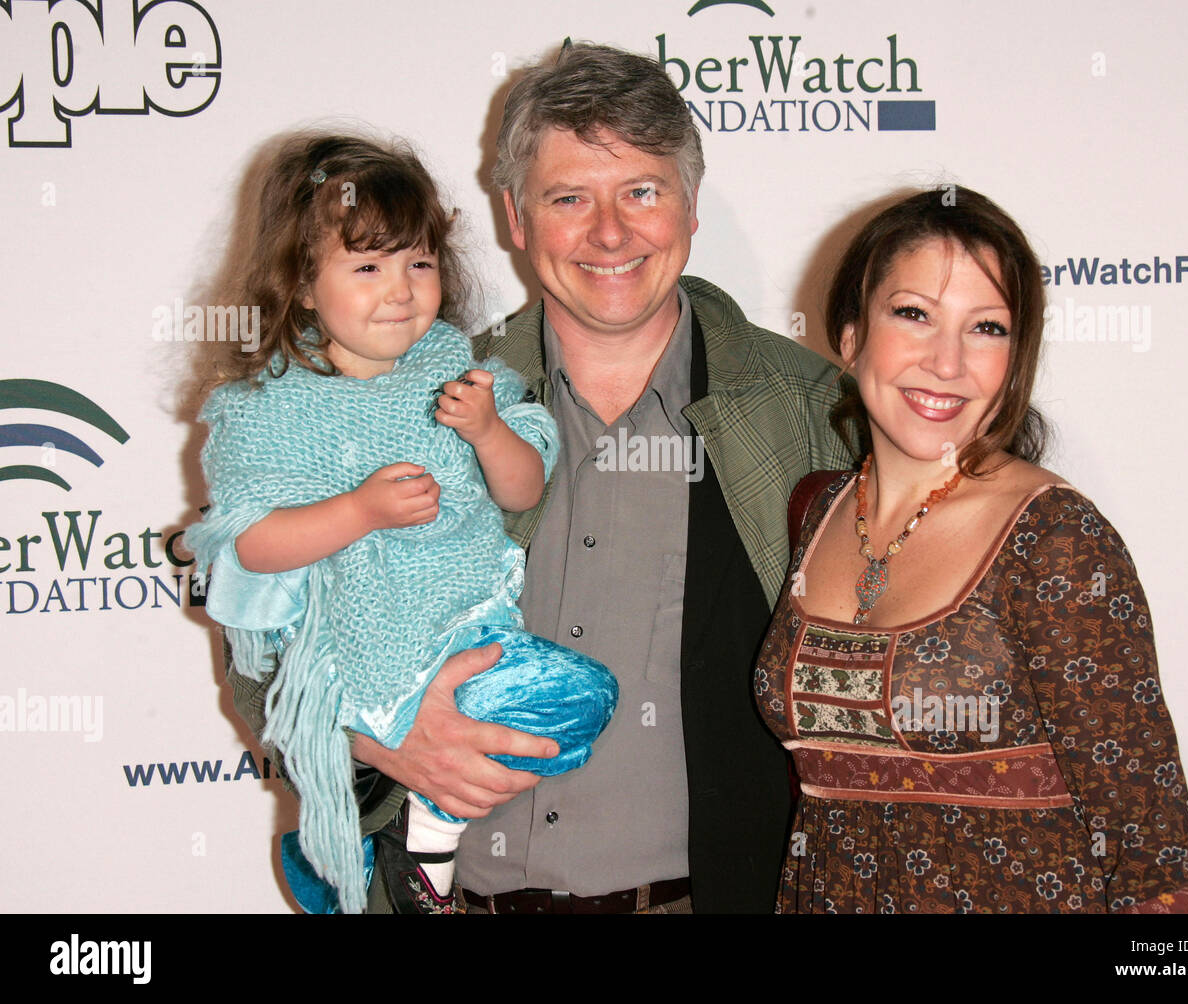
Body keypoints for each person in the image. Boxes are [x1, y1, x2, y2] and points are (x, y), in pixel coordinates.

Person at [297, 42, 857, 914]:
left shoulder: (809, 415)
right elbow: (265, 640)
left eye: (642, 191)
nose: (609, 234)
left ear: (691, 206)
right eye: (569, 198)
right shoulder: (406, 399)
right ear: (516, 218)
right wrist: (378, 738)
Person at [187, 133, 617, 915]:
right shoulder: (269, 405)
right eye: (366, 266)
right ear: (303, 285)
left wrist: (491, 431)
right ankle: (375, 852)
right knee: (400, 750)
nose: (401, 289)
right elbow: (252, 543)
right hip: (353, 656)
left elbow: (523, 491)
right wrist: (360, 511)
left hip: (471, 629)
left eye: (419, 263)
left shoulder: (454, 364)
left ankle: (410, 837)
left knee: (585, 698)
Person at [755, 185, 1188, 913]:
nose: (947, 361)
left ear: (1016, 356)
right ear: (848, 335)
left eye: (987, 328)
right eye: (913, 315)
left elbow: (1146, 844)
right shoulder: (822, 512)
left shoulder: (1054, 538)